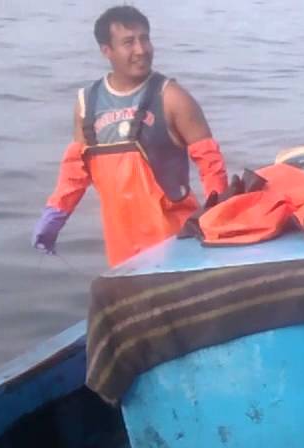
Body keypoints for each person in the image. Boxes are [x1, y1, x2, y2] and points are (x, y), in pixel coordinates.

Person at [31, 5, 228, 267]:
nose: (141, 49)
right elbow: (75, 173)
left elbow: (211, 165)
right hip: (123, 252)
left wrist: (222, 218)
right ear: (106, 51)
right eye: (128, 42)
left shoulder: (172, 97)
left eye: (144, 38)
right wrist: (55, 214)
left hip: (179, 246)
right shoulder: (86, 103)